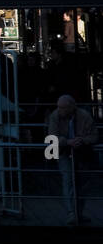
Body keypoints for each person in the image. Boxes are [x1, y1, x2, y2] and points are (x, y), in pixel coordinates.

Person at [46, 95, 97, 226]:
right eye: (58, 107)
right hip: (64, 152)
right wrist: (67, 142)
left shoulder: (84, 116)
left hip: (82, 152)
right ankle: (71, 213)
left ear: (72, 107)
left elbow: (94, 136)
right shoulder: (54, 116)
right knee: (68, 180)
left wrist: (81, 140)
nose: (59, 110)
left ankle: (78, 213)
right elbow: (51, 137)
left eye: (63, 107)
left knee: (82, 183)